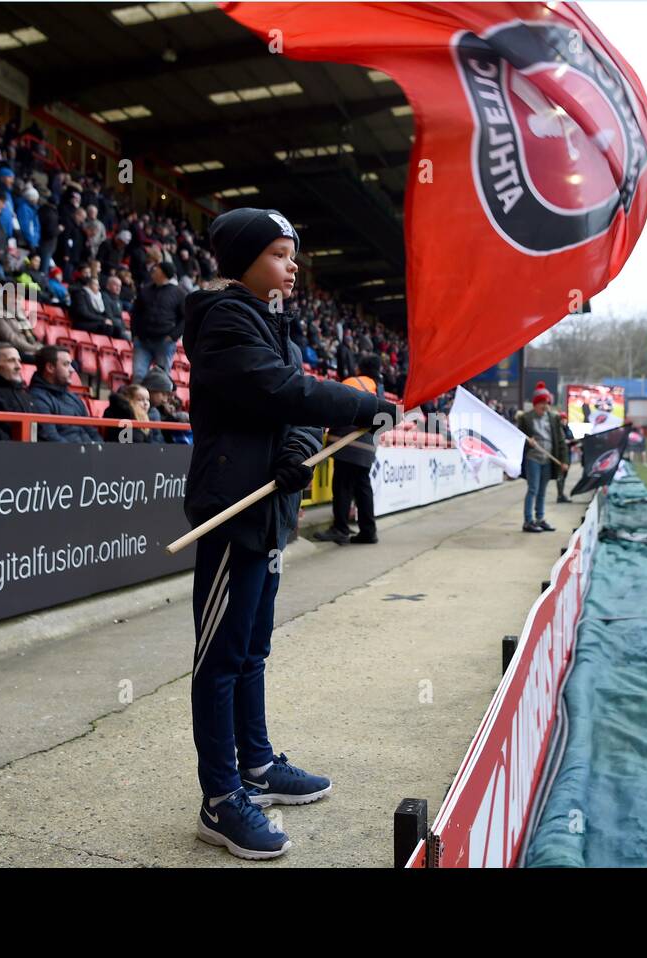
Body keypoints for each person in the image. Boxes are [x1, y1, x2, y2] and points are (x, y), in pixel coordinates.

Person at [182, 207, 398, 860]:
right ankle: (219, 799)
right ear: (243, 259)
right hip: (232, 512)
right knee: (219, 660)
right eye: (279, 253)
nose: (293, 265)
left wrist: (295, 448)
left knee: (252, 651)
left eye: (294, 253)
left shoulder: (271, 322)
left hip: (269, 512)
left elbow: (291, 408)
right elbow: (277, 389)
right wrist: (362, 403)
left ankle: (257, 765)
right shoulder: (223, 318)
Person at [313, 353, 384, 545]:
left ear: (360, 368)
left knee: (342, 486)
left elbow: (336, 406)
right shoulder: (379, 388)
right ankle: (369, 532)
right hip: (368, 446)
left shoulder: (353, 381)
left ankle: (340, 529)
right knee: (363, 488)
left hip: (348, 444)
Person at [516, 382, 568, 533]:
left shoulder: (553, 418)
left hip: (548, 459)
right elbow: (519, 438)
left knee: (542, 490)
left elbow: (560, 440)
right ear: (536, 404)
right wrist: (527, 441)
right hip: (533, 458)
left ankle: (540, 518)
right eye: (542, 404)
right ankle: (528, 521)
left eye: (547, 403)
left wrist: (564, 461)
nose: (545, 407)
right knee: (533, 488)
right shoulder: (526, 418)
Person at [28, 344, 101, 443]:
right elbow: (50, 438)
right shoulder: (36, 398)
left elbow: (92, 432)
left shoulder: (74, 398)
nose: (72, 370)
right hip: (65, 456)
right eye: (66, 364)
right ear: (50, 367)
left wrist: (100, 449)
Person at [130, 259, 185, 382]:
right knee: (138, 376)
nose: (153, 271)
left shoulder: (179, 293)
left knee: (162, 379)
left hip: (164, 343)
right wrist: (135, 335)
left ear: (164, 274)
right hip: (142, 341)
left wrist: (173, 336)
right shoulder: (145, 290)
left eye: (157, 269)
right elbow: (135, 314)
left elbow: (185, 318)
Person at [141, 368, 189, 444]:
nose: (165, 400)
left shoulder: (155, 410)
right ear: (150, 389)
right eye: (163, 394)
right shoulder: (131, 410)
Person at [554, 411, 576, 503]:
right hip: (561, 455)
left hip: (568, 454)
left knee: (564, 475)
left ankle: (561, 494)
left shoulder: (568, 429)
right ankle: (560, 495)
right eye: (562, 419)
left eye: (565, 419)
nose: (563, 421)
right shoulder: (557, 430)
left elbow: (572, 438)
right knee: (560, 475)